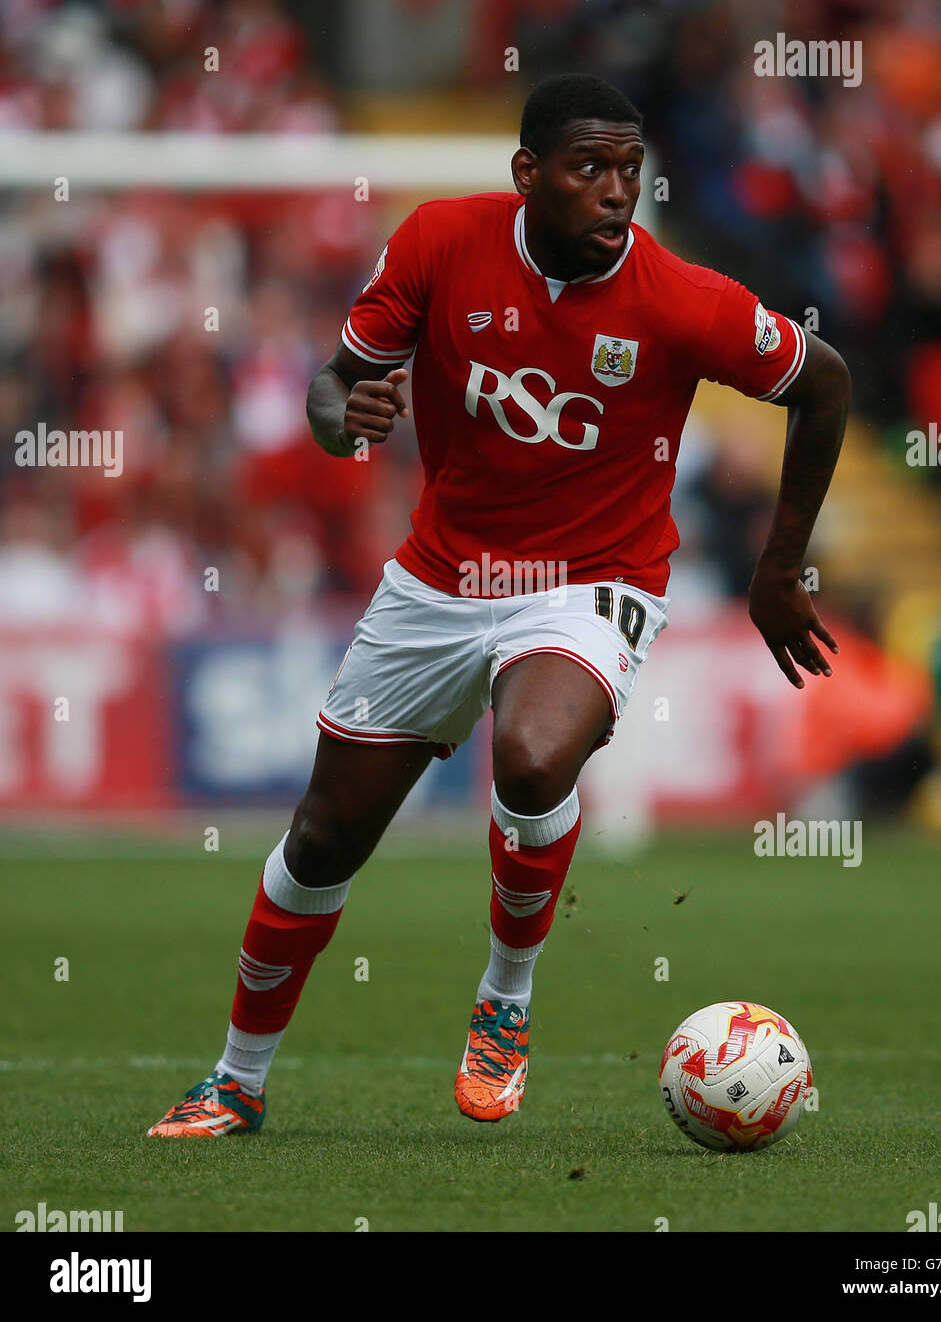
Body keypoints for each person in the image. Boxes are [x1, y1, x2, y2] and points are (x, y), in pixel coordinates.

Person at [148, 73, 848, 1137]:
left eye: (629, 170)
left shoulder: (679, 300)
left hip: (591, 579)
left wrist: (778, 566)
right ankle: (234, 1081)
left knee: (529, 757)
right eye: (589, 169)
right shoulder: (437, 243)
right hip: (439, 579)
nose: (616, 192)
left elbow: (825, 380)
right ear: (527, 174)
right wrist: (350, 417)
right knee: (324, 838)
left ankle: (504, 1001)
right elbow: (334, 391)